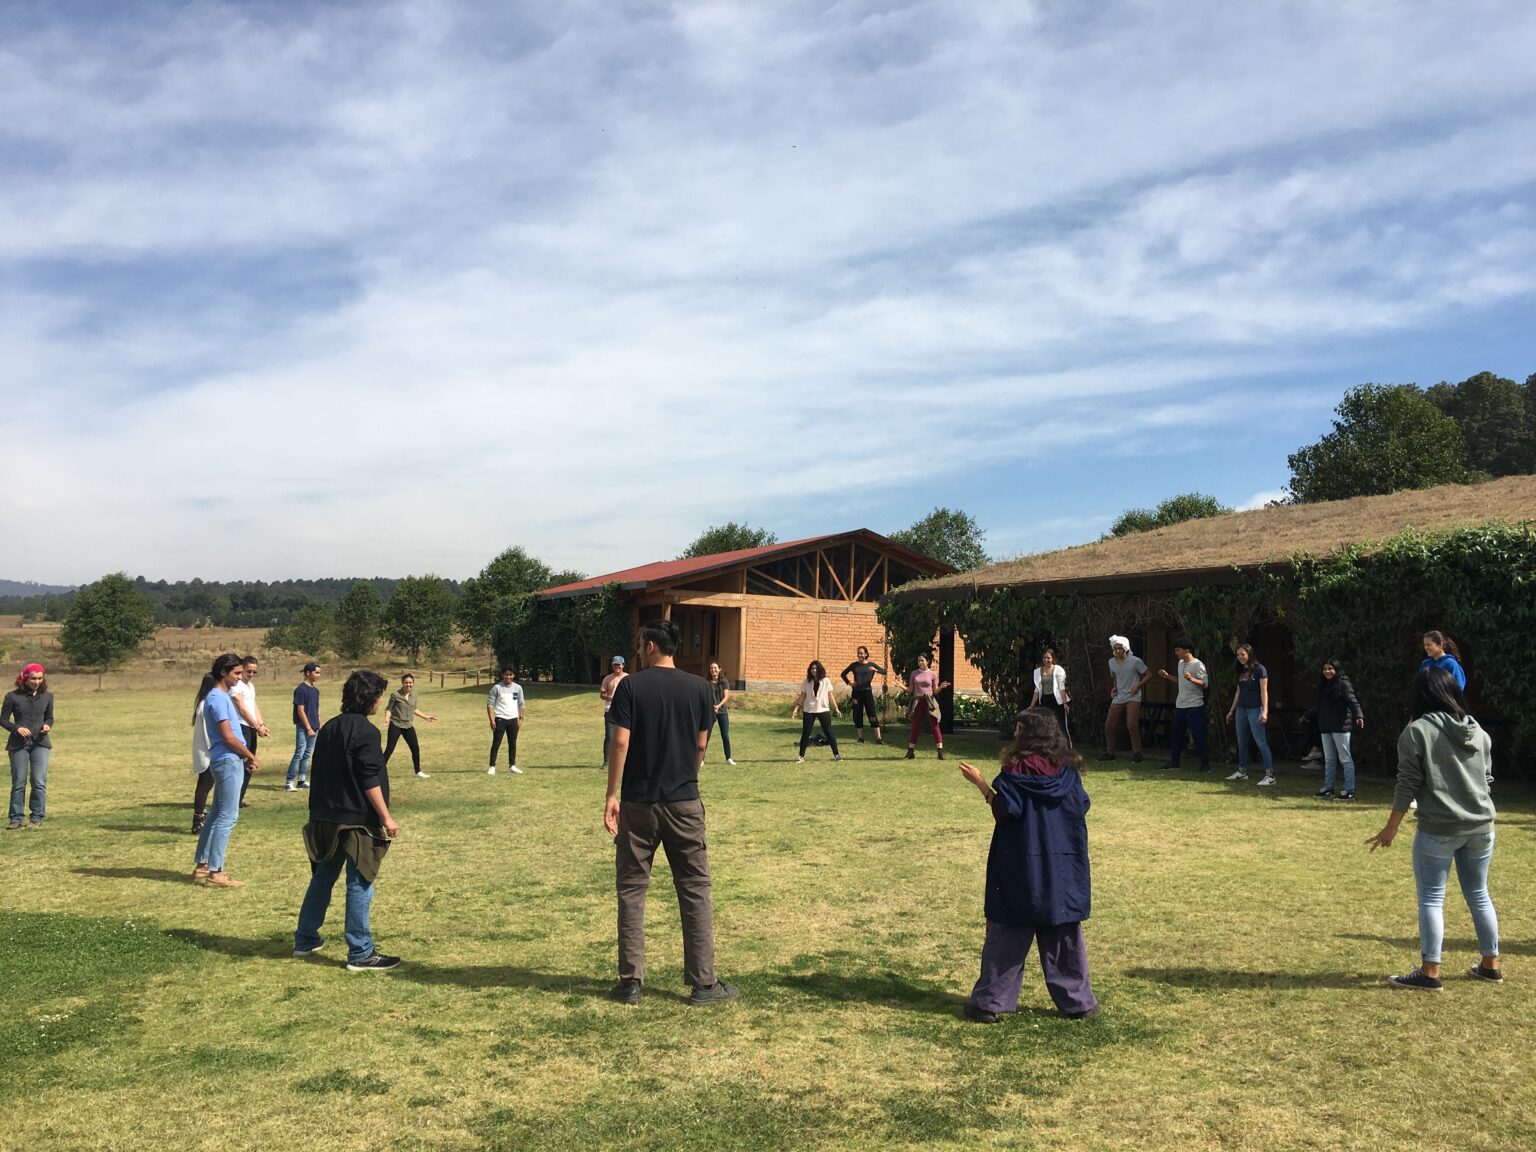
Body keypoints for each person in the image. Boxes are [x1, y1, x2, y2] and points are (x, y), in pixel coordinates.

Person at [603, 619, 739, 1007]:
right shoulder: (700, 688)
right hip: (684, 801)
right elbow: (700, 746)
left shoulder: (630, 686)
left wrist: (612, 793)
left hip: (639, 801)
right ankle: (704, 984)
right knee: (695, 889)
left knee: (631, 889)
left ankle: (630, 982)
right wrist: (685, 779)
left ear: (649, 645)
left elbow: (621, 742)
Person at [957, 709, 1100, 1022]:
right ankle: (1079, 1003)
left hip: (1020, 865)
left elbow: (1006, 809)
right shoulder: (1069, 771)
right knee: (1063, 933)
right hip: (1061, 867)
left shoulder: (1014, 771)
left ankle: (990, 1003)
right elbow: (1082, 805)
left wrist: (981, 784)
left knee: (1008, 932)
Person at [1365, 667, 1500, 990]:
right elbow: (1487, 780)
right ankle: (1490, 964)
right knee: (1479, 894)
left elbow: (1407, 783)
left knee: (1431, 898)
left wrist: (1390, 828)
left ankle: (1430, 972)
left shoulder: (1416, 731)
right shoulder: (1479, 731)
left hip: (1439, 828)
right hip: (1482, 826)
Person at [294, 669, 403, 972]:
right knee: (360, 880)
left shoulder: (330, 727)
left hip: (326, 816)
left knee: (323, 878)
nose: (381, 701)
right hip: (355, 821)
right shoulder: (366, 732)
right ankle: (360, 952)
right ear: (370, 699)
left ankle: (305, 939)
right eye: (379, 695)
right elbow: (369, 778)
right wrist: (386, 816)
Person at [193, 653, 260, 888]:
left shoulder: (217, 696)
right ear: (223, 672)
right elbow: (228, 736)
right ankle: (216, 872)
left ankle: (202, 865)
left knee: (216, 813)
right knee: (228, 817)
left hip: (225, 760)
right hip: (228, 760)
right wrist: (249, 755)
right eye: (237, 673)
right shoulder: (218, 699)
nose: (240, 678)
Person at [3, 663, 54, 830]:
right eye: (33, 678)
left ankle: (36, 817)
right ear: (24, 678)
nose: (37, 681)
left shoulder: (47, 696)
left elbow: (49, 717)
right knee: (19, 782)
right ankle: (15, 818)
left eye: (40, 678)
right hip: (19, 744)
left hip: (41, 743)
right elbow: (3, 719)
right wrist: (16, 728)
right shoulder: (12, 697)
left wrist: (47, 725)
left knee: (39, 781)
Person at [1224, 643, 1276, 786]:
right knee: (1241, 742)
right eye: (1238, 654)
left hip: (1255, 709)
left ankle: (1270, 775)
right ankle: (1242, 772)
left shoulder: (1260, 669)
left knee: (1261, 742)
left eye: (1243, 654)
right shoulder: (1241, 671)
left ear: (1249, 654)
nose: (1240, 657)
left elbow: (1264, 692)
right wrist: (1231, 710)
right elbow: (1238, 692)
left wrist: (1264, 711)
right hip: (1241, 709)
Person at [1314, 659, 1365, 800]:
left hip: (1341, 726)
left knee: (1345, 759)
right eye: (1324, 669)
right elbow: (1319, 705)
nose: (1327, 671)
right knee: (1329, 759)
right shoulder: (1323, 685)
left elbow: (1352, 701)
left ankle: (1349, 790)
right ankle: (1328, 788)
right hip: (1326, 726)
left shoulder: (1343, 683)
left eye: (1330, 668)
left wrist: (1359, 715)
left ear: (1336, 669)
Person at [1158, 638, 1210, 772]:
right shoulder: (1180, 663)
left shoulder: (1198, 664)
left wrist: (1192, 679)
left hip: (1195, 705)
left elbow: (1205, 683)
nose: (1176, 653)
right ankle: (1174, 763)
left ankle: (1205, 764)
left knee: (1197, 735)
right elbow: (1180, 681)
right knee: (1177, 735)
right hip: (1180, 704)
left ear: (1187, 650)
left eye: (1178, 650)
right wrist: (1167, 676)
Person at [1100, 636, 1149, 764]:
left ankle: (1137, 753)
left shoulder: (1135, 661)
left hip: (1134, 696)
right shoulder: (1111, 662)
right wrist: (1114, 688)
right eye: (1115, 649)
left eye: (1120, 648)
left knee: (1132, 725)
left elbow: (1148, 674)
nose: (1117, 651)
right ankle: (1110, 753)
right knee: (1109, 725)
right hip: (1119, 696)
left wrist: (1138, 685)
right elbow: (1116, 677)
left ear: (1125, 649)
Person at [231, 654, 269, 807]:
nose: (251, 675)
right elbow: (242, 709)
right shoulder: (236, 685)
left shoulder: (250, 687)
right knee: (241, 763)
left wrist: (261, 724)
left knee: (250, 763)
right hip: (241, 726)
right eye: (248, 671)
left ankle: (239, 799)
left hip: (251, 727)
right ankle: (232, 799)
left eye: (254, 672)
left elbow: (253, 706)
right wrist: (256, 725)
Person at [383, 673, 436, 779]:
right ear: (402, 683)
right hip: (396, 724)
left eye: (410, 682)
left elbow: (414, 709)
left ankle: (418, 771)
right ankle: (378, 770)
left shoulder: (415, 694)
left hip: (408, 726)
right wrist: (387, 719)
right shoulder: (395, 695)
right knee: (390, 748)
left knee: (415, 748)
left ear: (413, 683)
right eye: (406, 682)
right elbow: (389, 709)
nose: (408, 685)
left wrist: (426, 717)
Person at [791, 660, 842, 763]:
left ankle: (837, 755)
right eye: (812, 669)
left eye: (816, 668)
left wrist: (836, 709)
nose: (814, 670)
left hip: (823, 710)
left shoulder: (826, 681)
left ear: (820, 670)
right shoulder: (806, 681)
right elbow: (802, 696)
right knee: (806, 733)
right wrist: (796, 709)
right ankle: (801, 756)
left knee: (829, 732)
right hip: (809, 710)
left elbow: (830, 695)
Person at [904, 654, 950, 761]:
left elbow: (935, 691)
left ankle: (940, 752)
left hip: (929, 702)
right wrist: (901, 686)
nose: (920, 662)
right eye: (919, 660)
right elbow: (910, 690)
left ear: (927, 661)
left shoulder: (932, 674)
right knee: (915, 726)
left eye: (922, 660)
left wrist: (941, 687)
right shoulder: (914, 673)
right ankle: (910, 752)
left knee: (934, 726)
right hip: (918, 701)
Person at [286, 661, 322, 792]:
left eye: (319, 673)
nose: (318, 675)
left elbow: (316, 709)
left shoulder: (315, 691)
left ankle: (301, 779)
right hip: (304, 726)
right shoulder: (301, 690)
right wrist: (308, 728)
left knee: (307, 754)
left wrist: (318, 724)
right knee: (299, 753)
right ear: (308, 673)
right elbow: (300, 710)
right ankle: (289, 781)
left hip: (314, 726)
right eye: (316, 672)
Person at [840, 646, 887, 744]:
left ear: (866, 654)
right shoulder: (854, 665)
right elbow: (843, 674)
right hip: (856, 693)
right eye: (858, 653)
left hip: (867, 692)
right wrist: (850, 683)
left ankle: (878, 738)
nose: (860, 655)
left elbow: (884, 672)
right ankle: (860, 738)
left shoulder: (871, 664)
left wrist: (876, 670)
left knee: (872, 714)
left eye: (862, 653)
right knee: (857, 714)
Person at [486, 666, 525, 775]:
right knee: (496, 743)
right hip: (500, 719)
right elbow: (490, 705)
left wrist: (520, 719)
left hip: (513, 720)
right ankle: (492, 766)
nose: (508, 677)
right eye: (506, 674)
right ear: (503, 675)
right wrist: (491, 720)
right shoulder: (496, 688)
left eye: (510, 674)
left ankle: (512, 766)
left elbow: (521, 704)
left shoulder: (518, 688)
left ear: (513, 675)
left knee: (512, 743)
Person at [1029, 648, 1070, 736]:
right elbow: (1037, 690)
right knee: (1045, 725)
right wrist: (1032, 705)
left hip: (1057, 701)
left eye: (1048, 658)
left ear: (1053, 659)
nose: (1046, 660)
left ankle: (1064, 746)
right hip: (1045, 700)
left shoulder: (1058, 670)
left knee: (1060, 725)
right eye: (1044, 658)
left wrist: (1064, 703)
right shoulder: (1037, 671)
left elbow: (1061, 688)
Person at [705, 661, 736, 765]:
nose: (713, 670)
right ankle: (701, 759)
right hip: (710, 712)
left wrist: (718, 706)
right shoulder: (707, 682)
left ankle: (728, 758)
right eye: (711, 668)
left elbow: (726, 696)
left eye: (715, 668)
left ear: (719, 669)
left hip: (722, 711)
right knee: (706, 735)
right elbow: (705, 696)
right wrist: (711, 707)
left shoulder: (724, 681)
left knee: (725, 735)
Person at [599, 656, 628, 765]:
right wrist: (611, 698)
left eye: (619, 665)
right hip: (610, 710)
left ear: (623, 665)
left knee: (623, 737)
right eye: (615, 665)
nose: (617, 667)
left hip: (624, 710)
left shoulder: (628, 678)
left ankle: (624, 761)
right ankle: (606, 761)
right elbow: (602, 694)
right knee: (610, 736)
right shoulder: (607, 678)